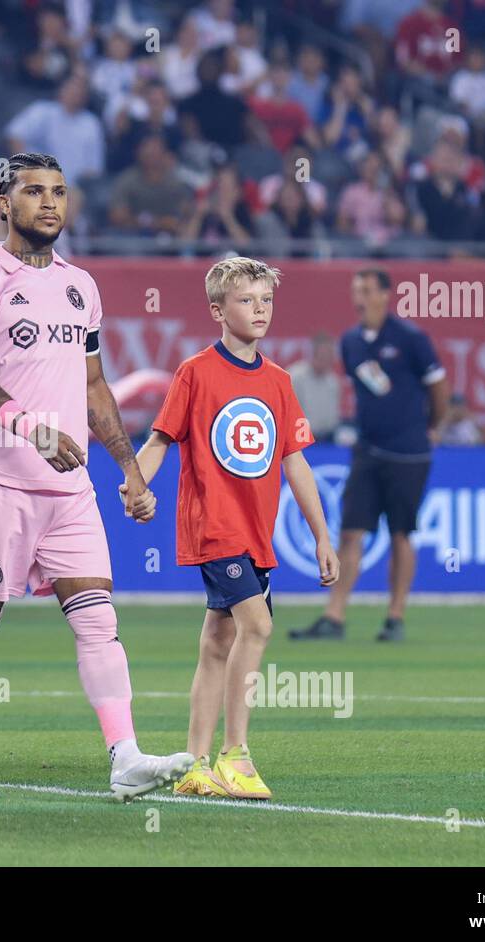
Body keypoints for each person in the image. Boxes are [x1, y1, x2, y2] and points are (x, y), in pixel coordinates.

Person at [0, 152, 193, 801]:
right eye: (33, 191)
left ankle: (125, 756)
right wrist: (35, 430)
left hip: (71, 487)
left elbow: (94, 385)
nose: (49, 202)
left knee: (99, 621)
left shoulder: (82, 286)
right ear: (4, 202)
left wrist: (131, 470)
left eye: (58, 191)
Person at [134, 256, 338, 799]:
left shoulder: (279, 381)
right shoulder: (196, 373)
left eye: (266, 300)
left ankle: (194, 764)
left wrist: (321, 535)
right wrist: (135, 484)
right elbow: (160, 439)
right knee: (259, 627)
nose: (260, 309)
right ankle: (236, 755)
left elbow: (295, 461)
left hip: (256, 534)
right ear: (218, 310)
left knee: (217, 642)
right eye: (247, 300)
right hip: (215, 528)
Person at [288, 269, 447, 644]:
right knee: (350, 531)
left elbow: (438, 386)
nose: (360, 297)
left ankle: (395, 616)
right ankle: (335, 615)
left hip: (408, 454)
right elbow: (370, 389)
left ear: (385, 295)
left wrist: (432, 425)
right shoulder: (351, 342)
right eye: (356, 290)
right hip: (368, 450)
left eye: (367, 290)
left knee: (401, 534)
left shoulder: (410, 339)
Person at [287, 332, 343, 442]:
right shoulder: (294, 377)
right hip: (300, 438)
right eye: (323, 355)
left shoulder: (333, 381)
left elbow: (333, 417)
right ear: (313, 354)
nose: (327, 359)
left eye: (330, 355)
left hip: (327, 438)